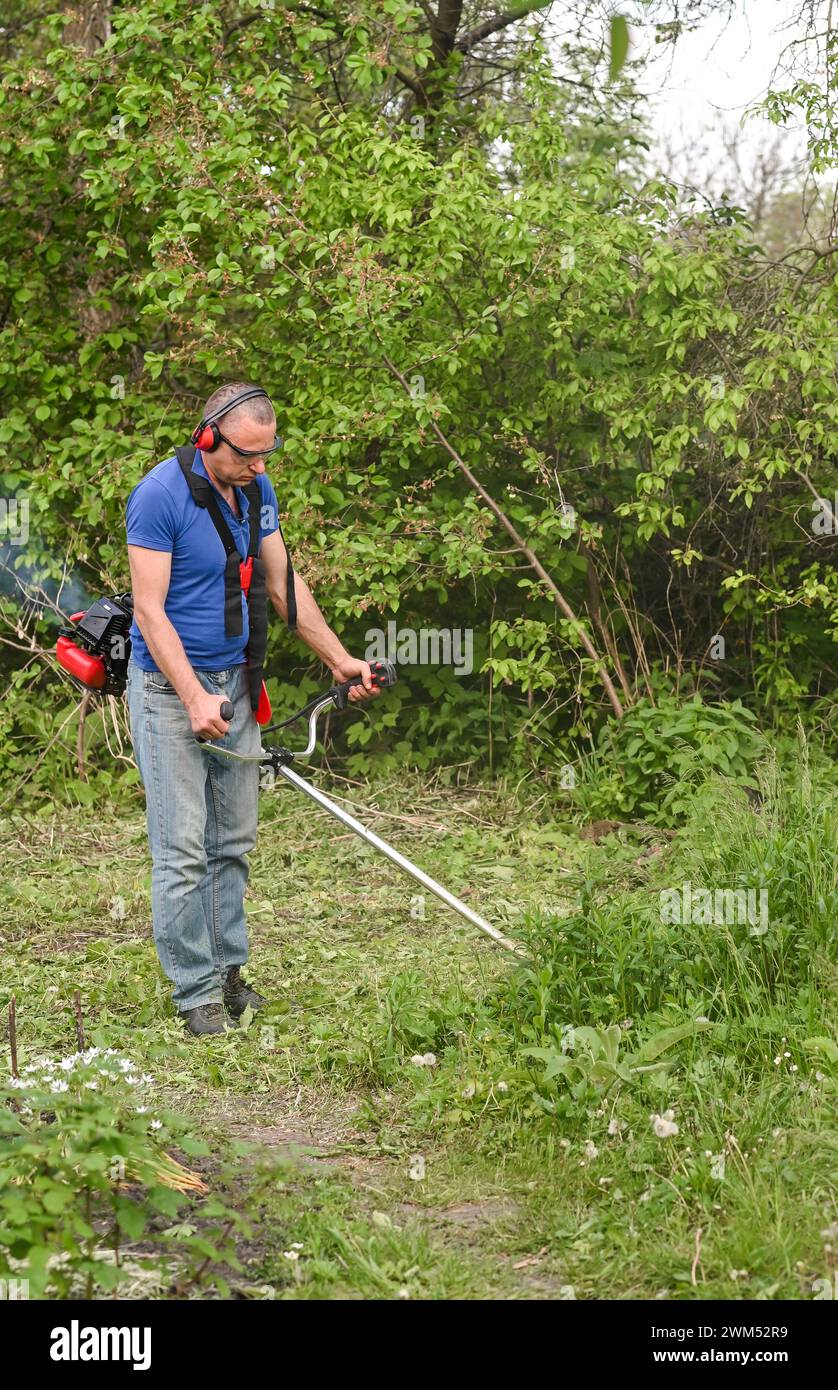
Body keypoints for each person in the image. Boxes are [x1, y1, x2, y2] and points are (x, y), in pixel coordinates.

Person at [125, 382, 378, 1036]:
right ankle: (195, 994)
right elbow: (150, 614)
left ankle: (229, 973)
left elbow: (282, 581)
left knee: (231, 841)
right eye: (247, 455)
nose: (259, 468)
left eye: (268, 456)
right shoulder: (158, 497)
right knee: (182, 847)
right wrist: (192, 696)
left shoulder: (256, 492)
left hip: (235, 683)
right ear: (208, 436)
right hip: (167, 691)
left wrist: (340, 660)